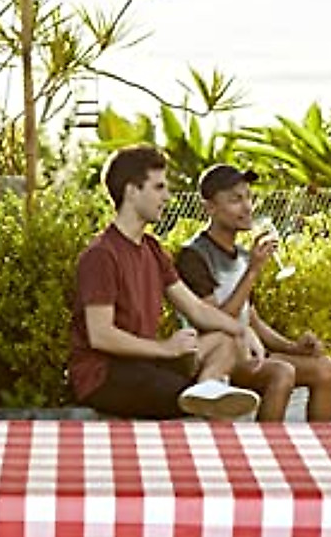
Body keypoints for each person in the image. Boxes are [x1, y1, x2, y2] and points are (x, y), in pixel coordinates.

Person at [69, 145, 259, 420]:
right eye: (158, 187)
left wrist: (241, 330)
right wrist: (165, 349)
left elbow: (196, 309)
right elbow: (101, 335)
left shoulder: (152, 249)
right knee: (193, 399)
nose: (167, 197)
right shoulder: (101, 255)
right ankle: (205, 401)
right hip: (104, 375)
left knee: (223, 341)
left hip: (143, 364)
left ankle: (206, 392)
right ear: (132, 192)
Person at [174, 164, 331, 422]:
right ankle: (264, 452)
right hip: (216, 357)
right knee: (281, 372)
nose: (248, 206)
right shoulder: (193, 256)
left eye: (248, 197)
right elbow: (215, 321)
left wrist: (294, 347)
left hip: (247, 354)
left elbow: (250, 320)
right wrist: (253, 272)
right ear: (210, 208)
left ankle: (325, 449)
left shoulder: (242, 256)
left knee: (323, 368)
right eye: (235, 199)